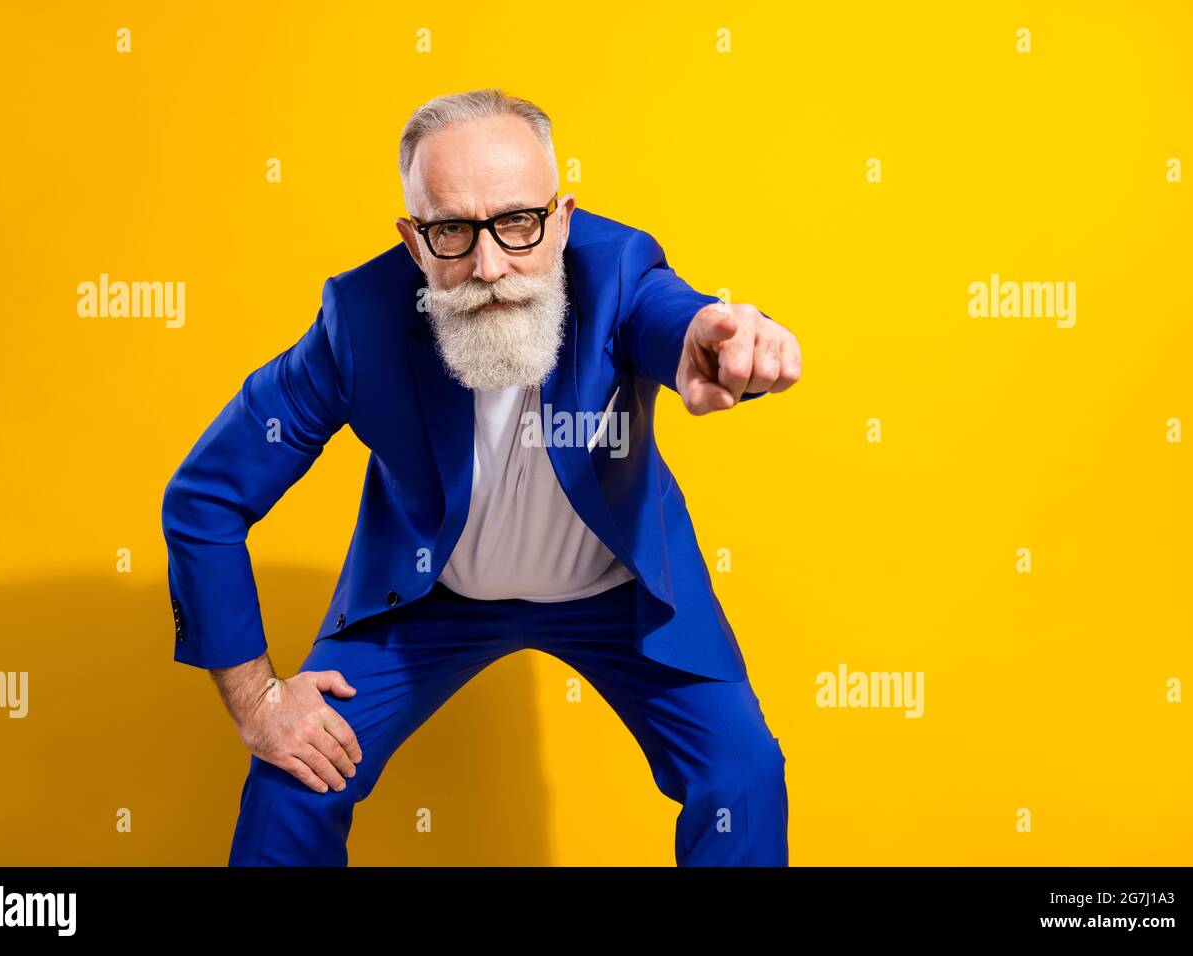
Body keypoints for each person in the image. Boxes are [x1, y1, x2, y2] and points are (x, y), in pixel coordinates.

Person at [160, 88, 802, 866]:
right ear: (413, 241)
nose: (490, 266)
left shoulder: (620, 272)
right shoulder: (358, 324)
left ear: (563, 218)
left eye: (519, 224)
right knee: (292, 779)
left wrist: (719, 338)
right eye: (453, 232)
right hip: (431, 601)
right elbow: (206, 497)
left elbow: (679, 320)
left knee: (745, 776)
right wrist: (258, 701)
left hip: (618, 597)